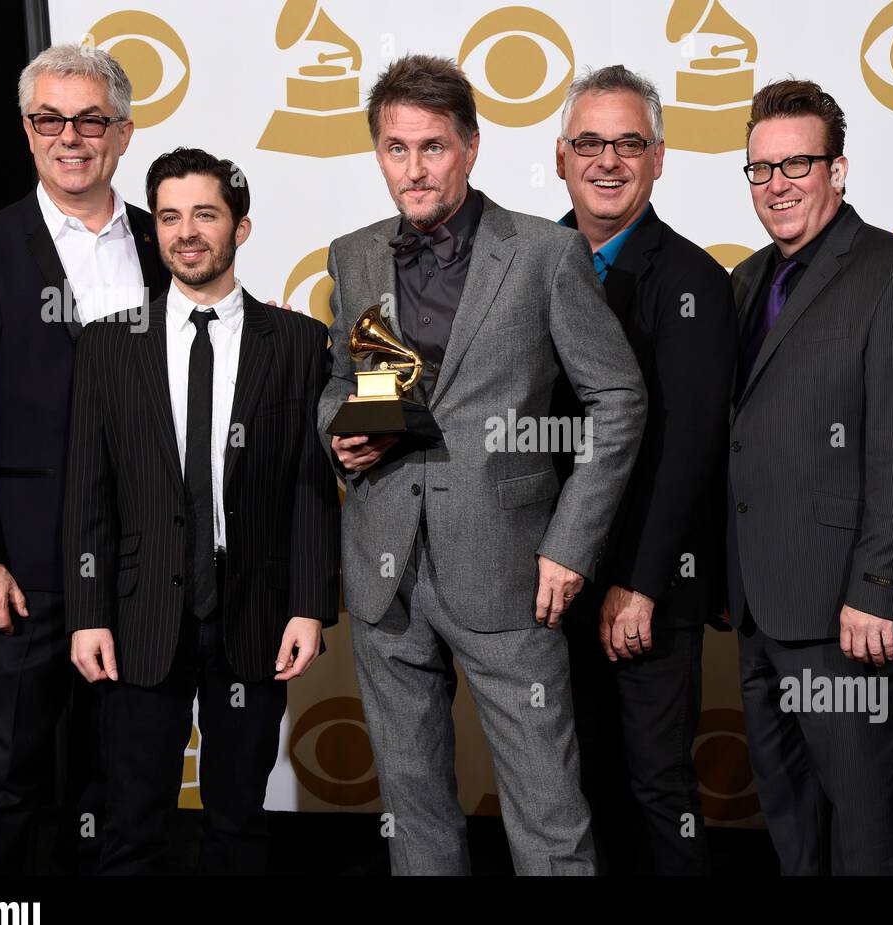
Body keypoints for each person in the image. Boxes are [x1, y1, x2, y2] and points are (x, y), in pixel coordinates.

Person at [319, 53, 646, 875]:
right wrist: (341, 430)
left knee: (547, 815)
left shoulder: (541, 254)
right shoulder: (354, 255)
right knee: (414, 807)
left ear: (470, 146)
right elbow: (340, 383)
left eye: (432, 147)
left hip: (508, 568)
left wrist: (571, 544)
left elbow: (617, 399)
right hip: (384, 563)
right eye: (396, 148)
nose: (414, 168)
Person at [63, 148, 339, 874]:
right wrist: (88, 611)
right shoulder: (107, 345)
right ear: (153, 229)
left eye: (205, 215)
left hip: (254, 610)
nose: (186, 232)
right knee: (131, 821)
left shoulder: (301, 343)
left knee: (239, 820)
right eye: (169, 216)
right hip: (136, 613)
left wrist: (309, 606)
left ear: (240, 228)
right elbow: (88, 490)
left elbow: (310, 489)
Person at [0, 43, 166, 875]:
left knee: (124, 784)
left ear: (122, 132)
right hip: (23, 567)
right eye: (50, 120)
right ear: (27, 133)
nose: (72, 137)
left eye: (90, 119)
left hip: (142, 567)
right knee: (3, 778)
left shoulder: (163, 242)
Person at [728, 79, 893, 874]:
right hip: (760, 606)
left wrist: (879, 587)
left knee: (862, 825)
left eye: (798, 163)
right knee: (790, 821)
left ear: (840, 169)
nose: (777, 184)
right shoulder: (748, 282)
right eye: (761, 168)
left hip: (849, 615)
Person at [554, 65, 735, 875]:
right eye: (590, 142)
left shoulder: (694, 281)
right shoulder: (531, 263)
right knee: (570, 784)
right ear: (561, 155)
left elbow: (688, 449)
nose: (608, 160)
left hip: (644, 586)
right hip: (549, 584)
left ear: (658, 158)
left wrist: (641, 584)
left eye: (629, 143)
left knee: (656, 784)